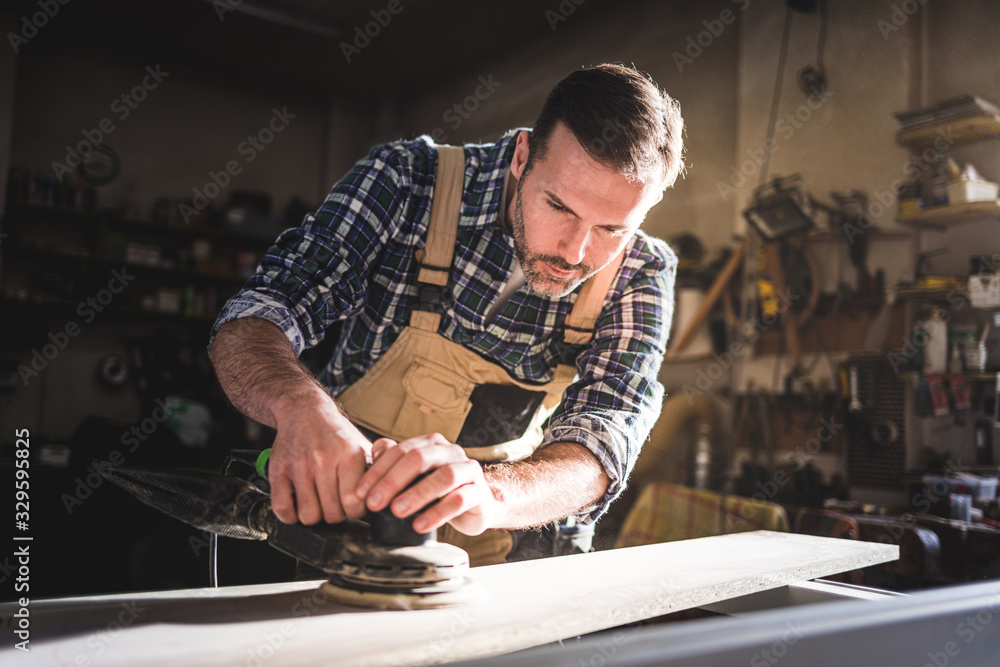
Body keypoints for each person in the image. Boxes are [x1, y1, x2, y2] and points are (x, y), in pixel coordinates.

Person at [208, 63, 684, 564]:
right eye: (558, 207)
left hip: (503, 534)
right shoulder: (407, 180)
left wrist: (490, 493)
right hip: (344, 518)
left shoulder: (642, 272)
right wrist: (298, 405)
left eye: (612, 228)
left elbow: (606, 434)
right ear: (522, 156)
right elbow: (258, 313)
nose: (574, 251)